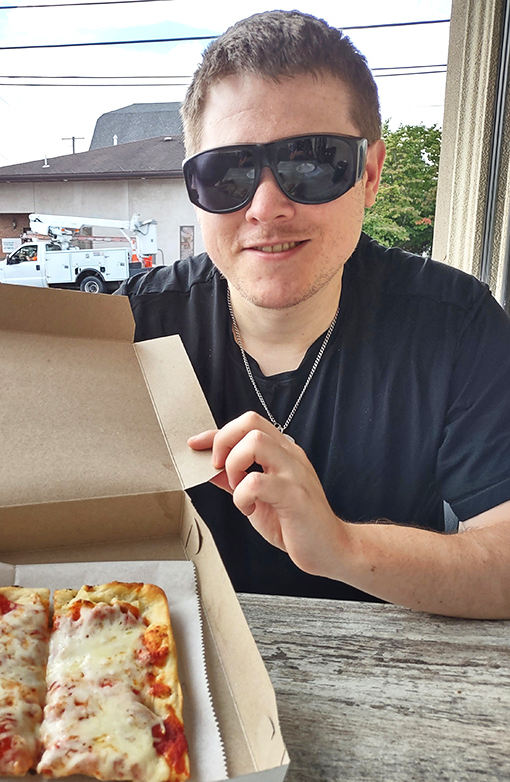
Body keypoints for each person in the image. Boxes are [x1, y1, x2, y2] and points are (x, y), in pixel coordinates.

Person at [116, 10, 510, 619]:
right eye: (227, 173)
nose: (267, 207)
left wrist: (342, 545)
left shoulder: (455, 327)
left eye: (312, 162)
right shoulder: (125, 329)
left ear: (370, 173)